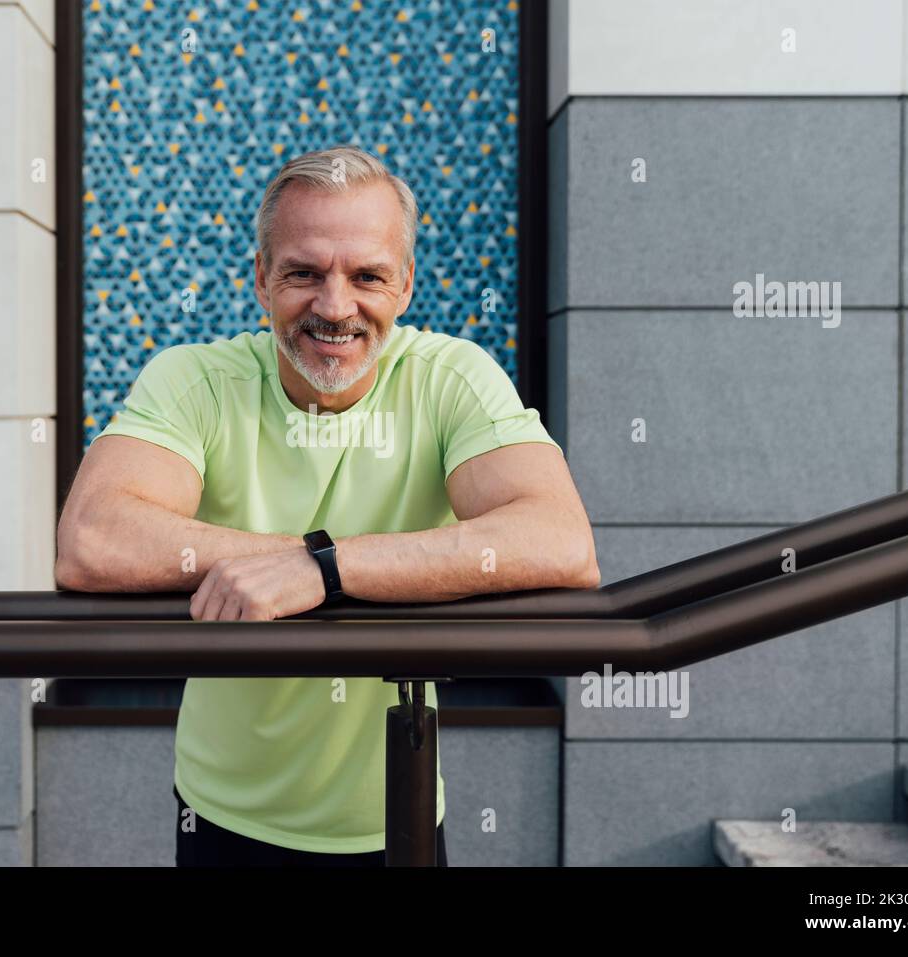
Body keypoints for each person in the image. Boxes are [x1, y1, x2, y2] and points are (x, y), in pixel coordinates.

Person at [55, 145, 600, 867]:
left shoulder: (451, 379)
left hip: (397, 818)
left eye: (367, 275)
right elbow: (92, 539)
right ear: (261, 278)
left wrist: (326, 568)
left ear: (406, 284)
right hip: (219, 815)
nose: (335, 307)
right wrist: (310, 560)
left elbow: (562, 541)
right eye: (304, 273)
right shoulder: (196, 380)